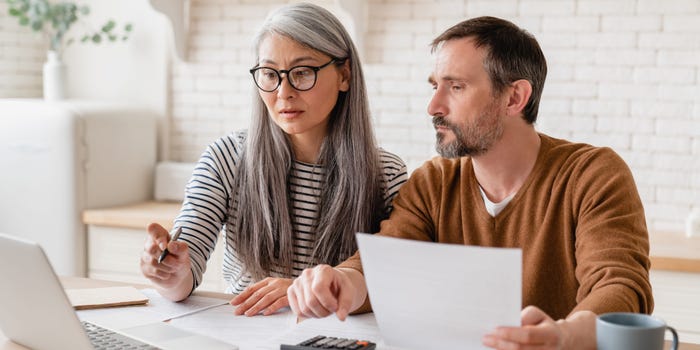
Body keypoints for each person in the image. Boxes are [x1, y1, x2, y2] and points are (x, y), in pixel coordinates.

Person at [287, 16, 653, 349]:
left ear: (514, 97)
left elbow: (621, 287)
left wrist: (565, 335)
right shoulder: (433, 182)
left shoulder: (592, 174)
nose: (433, 106)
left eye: (456, 87)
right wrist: (340, 282)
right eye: (434, 86)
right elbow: (385, 263)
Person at [139, 2, 407, 317]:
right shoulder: (227, 158)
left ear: (344, 74)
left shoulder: (386, 174)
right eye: (269, 74)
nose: (283, 92)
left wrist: (300, 292)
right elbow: (184, 275)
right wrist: (168, 271)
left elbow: (393, 283)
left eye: (303, 72)